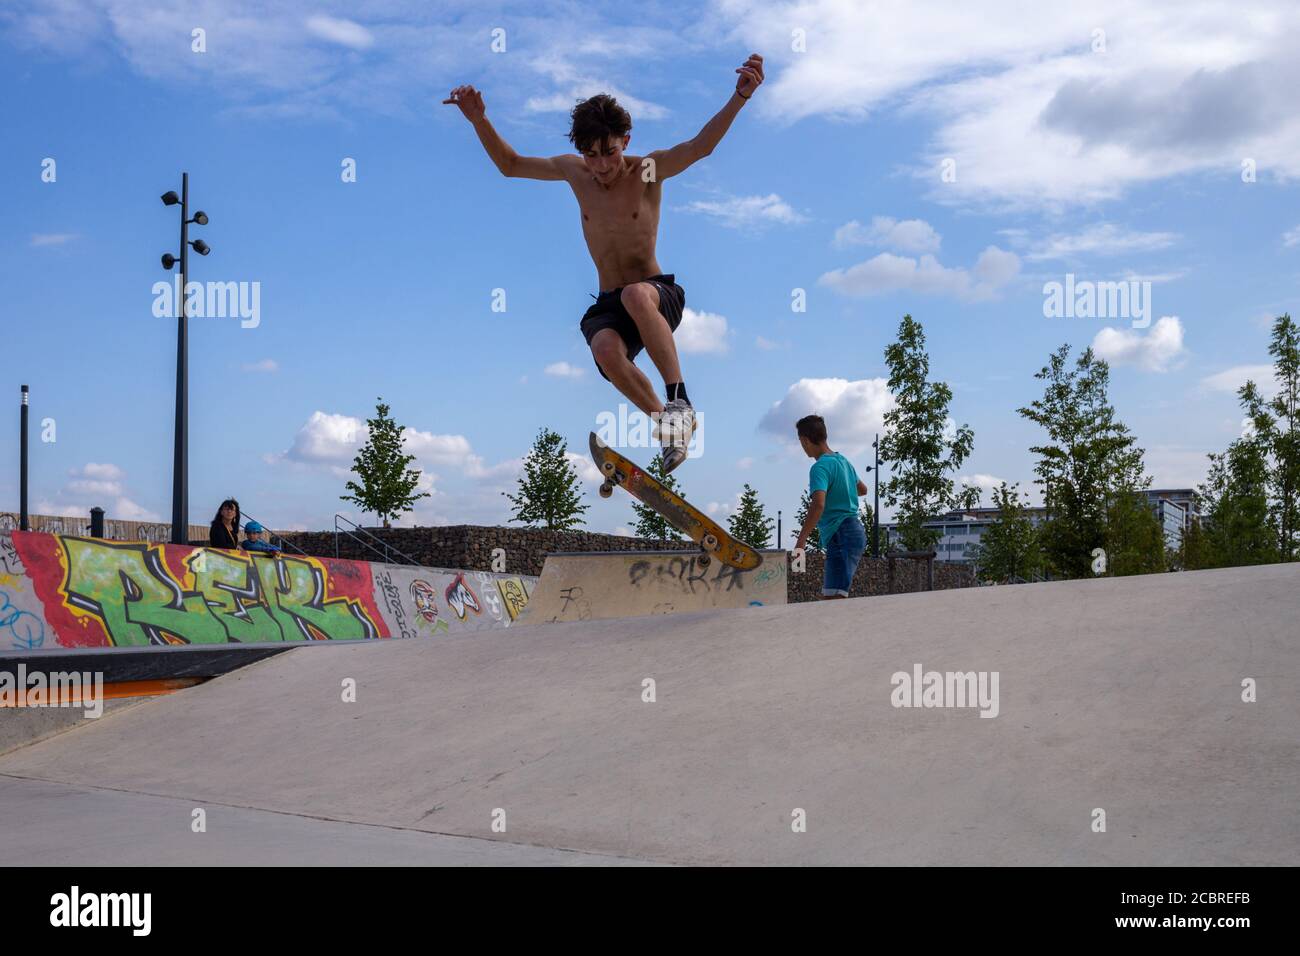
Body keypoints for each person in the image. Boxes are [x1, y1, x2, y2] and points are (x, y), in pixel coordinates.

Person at [444, 53, 765, 473]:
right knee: (606, 350)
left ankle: (679, 398)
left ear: (625, 141)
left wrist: (739, 98)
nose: (601, 166)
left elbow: (699, 147)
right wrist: (478, 120)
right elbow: (510, 165)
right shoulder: (573, 172)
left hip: (656, 294)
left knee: (635, 294)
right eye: (591, 156)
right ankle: (669, 430)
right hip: (610, 301)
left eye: (609, 153)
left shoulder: (646, 171)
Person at [793, 415, 868, 599]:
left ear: (804, 440)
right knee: (833, 598)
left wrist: (801, 542)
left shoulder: (820, 467)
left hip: (841, 533)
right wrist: (842, 489)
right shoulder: (844, 462)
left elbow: (818, 504)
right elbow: (862, 489)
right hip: (853, 531)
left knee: (834, 602)